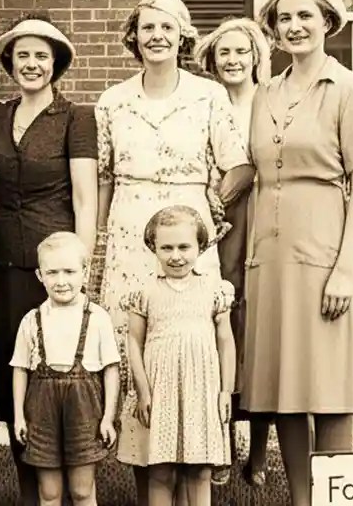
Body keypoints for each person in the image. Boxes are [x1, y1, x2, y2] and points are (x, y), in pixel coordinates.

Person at [95, 0, 253, 504]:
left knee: (191, 347)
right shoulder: (112, 101)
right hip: (128, 233)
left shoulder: (208, 96)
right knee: (136, 346)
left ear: (183, 35)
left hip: (189, 230)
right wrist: (96, 242)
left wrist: (212, 209)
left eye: (167, 27)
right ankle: (149, 481)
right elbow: (101, 177)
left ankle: (195, 475)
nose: (156, 36)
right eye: (147, 28)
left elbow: (240, 167)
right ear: (133, 37)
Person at [241, 0, 353, 506]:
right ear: (272, 31)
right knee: (285, 387)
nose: (294, 26)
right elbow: (251, 169)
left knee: (329, 386)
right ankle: (301, 499)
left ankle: (335, 499)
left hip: (323, 248)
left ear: (327, 23)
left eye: (305, 16)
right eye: (284, 18)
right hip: (268, 251)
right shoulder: (265, 93)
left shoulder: (349, 88)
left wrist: (347, 266)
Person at [0, 15, 98, 505]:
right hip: (3, 266)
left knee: (62, 380)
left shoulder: (76, 118)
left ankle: (77, 487)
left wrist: (80, 267)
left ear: (56, 64)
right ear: (10, 62)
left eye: (41, 56)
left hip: (55, 272)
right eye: (23, 55)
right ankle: (33, 491)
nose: (32, 64)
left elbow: (86, 199)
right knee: (20, 378)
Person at [191, 17, 270, 485]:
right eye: (224, 53)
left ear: (257, 57)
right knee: (220, 320)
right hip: (219, 223)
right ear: (212, 61)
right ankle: (219, 444)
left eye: (242, 51)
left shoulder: (272, 102)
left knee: (258, 327)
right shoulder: (204, 101)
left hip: (262, 218)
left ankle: (258, 452)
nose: (233, 60)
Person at [118, 206, 235, 506]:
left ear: (200, 246)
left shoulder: (214, 290)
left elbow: (226, 342)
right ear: (153, 248)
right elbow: (133, 340)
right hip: (160, 390)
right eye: (166, 248)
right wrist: (142, 390)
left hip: (201, 391)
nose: (176, 255)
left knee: (199, 470)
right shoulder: (144, 291)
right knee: (159, 470)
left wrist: (225, 391)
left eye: (184, 246)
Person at [11, 232, 120, 506]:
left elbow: (111, 369)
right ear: (39, 275)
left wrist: (107, 417)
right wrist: (19, 417)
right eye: (52, 272)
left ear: (85, 272)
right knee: (49, 493)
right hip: (42, 410)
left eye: (70, 271)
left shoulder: (97, 318)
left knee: (83, 491)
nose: (61, 281)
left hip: (84, 410)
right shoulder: (31, 319)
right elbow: (20, 369)